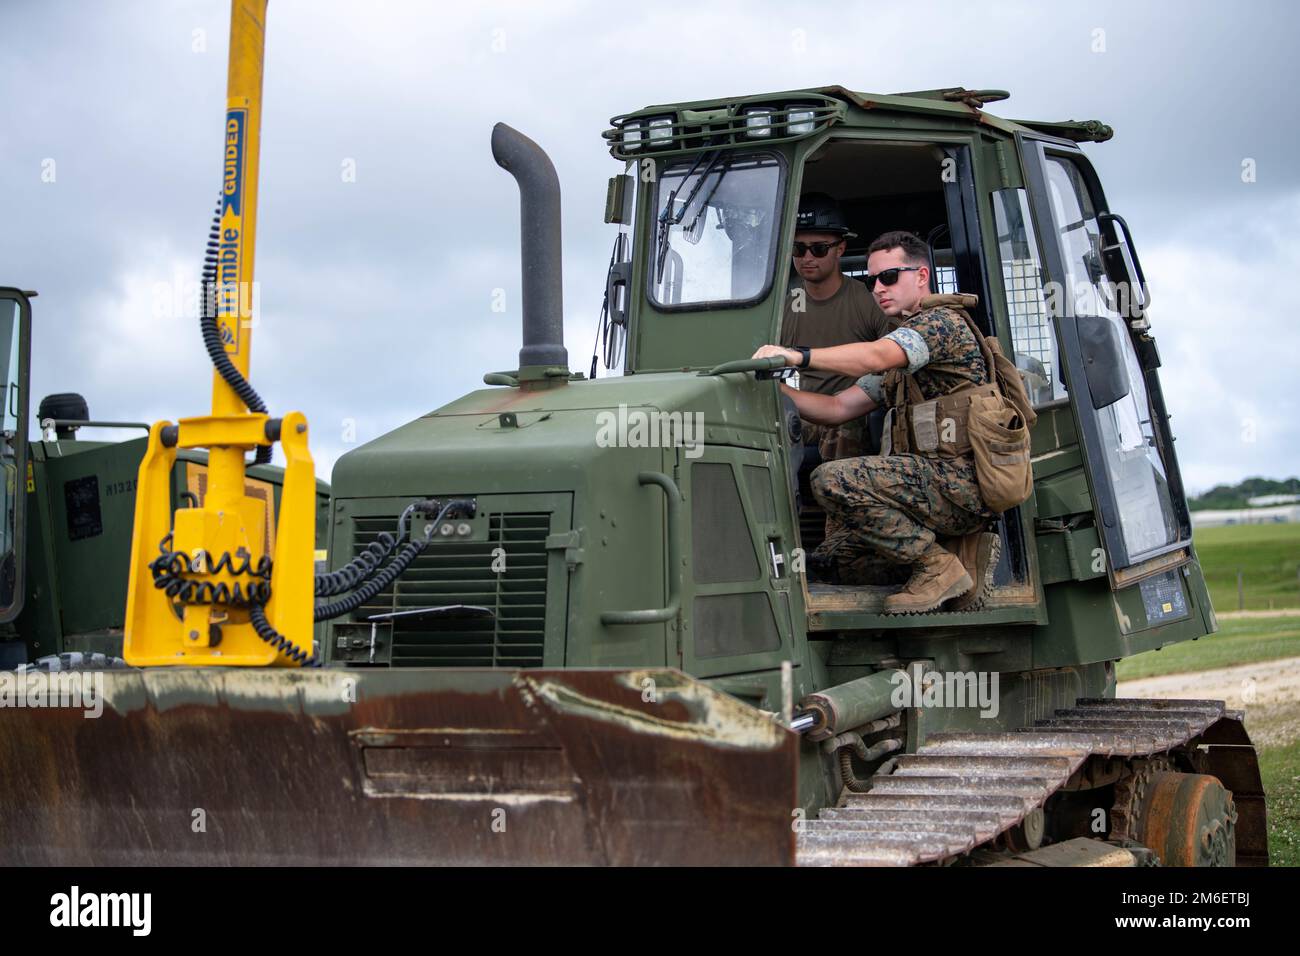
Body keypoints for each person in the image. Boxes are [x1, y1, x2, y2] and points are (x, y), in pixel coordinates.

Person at [753, 230, 998, 613]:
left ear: (921, 276)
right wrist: (773, 392)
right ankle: (956, 562)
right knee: (832, 562)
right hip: (929, 486)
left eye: (889, 277)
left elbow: (874, 356)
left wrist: (796, 357)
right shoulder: (904, 353)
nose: (879, 288)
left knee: (830, 479)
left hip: (960, 484)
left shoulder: (939, 325)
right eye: (872, 280)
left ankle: (937, 568)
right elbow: (837, 408)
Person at [780, 193, 893, 464]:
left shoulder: (869, 299)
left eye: (818, 249)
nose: (807, 257)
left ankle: (844, 503)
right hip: (807, 412)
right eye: (798, 249)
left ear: (840, 249)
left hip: (856, 412)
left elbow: (891, 363)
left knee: (843, 428)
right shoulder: (785, 308)